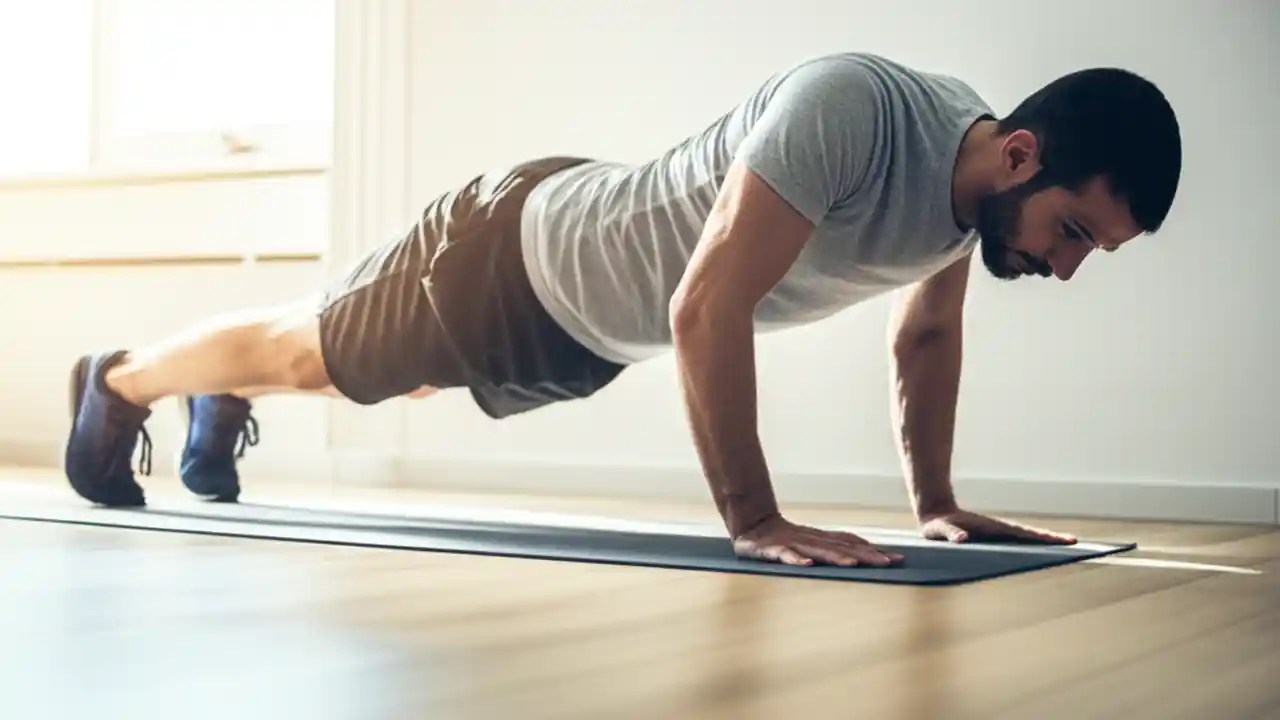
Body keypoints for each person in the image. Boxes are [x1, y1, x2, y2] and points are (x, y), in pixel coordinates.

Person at [63, 52, 1181, 569]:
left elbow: (926, 331)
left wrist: (934, 501)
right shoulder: (854, 109)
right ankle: (118, 380)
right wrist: (752, 519)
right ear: (1021, 156)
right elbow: (706, 305)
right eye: (1072, 233)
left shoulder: (971, 198)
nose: (1066, 266)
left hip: (588, 329)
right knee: (313, 357)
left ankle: (210, 392)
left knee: (382, 374)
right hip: (516, 254)